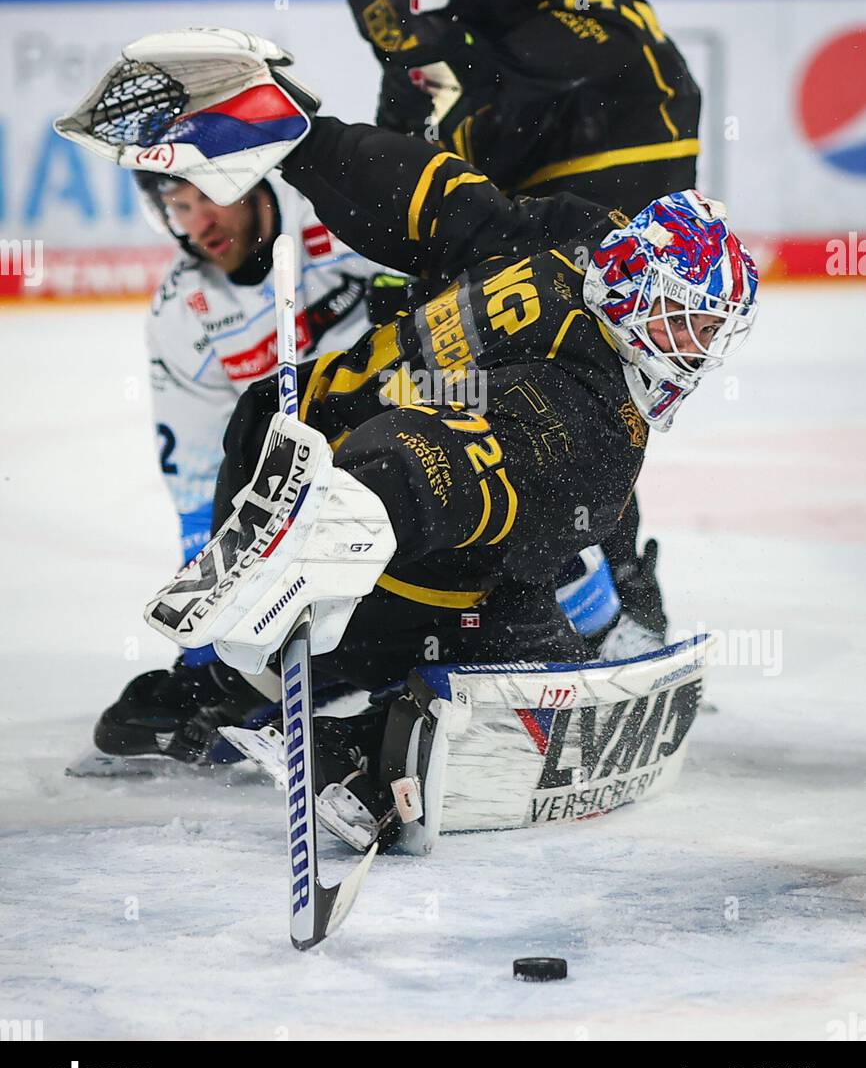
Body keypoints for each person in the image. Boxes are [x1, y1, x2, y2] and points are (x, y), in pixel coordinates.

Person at [141, 85, 758, 847]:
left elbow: (437, 197)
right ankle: (360, 748)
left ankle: (248, 680)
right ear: (634, 282)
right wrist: (339, 518)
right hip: (357, 538)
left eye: (709, 332)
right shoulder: (597, 422)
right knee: (528, 622)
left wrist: (306, 140)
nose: (692, 350)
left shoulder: (566, 242)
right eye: (685, 318)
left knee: (550, 533)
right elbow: (440, 461)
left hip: (290, 431)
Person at [304, 0, 703, 653]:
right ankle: (552, 579)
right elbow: (411, 101)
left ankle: (622, 595)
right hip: (530, 160)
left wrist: (477, 106)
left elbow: (591, 30)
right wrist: (393, 225)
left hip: (623, 127)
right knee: (502, 346)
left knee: (591, 349)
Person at [81, 169, 403, 771]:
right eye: (180, 206)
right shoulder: (182, 314)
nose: (199, 223)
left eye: (209, 197)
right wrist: (211, 644)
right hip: (313, 495)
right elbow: (198, 481)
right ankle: (316, 659)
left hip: (424, 450)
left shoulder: (339, 210)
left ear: (250, 181)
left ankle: (579, 600)